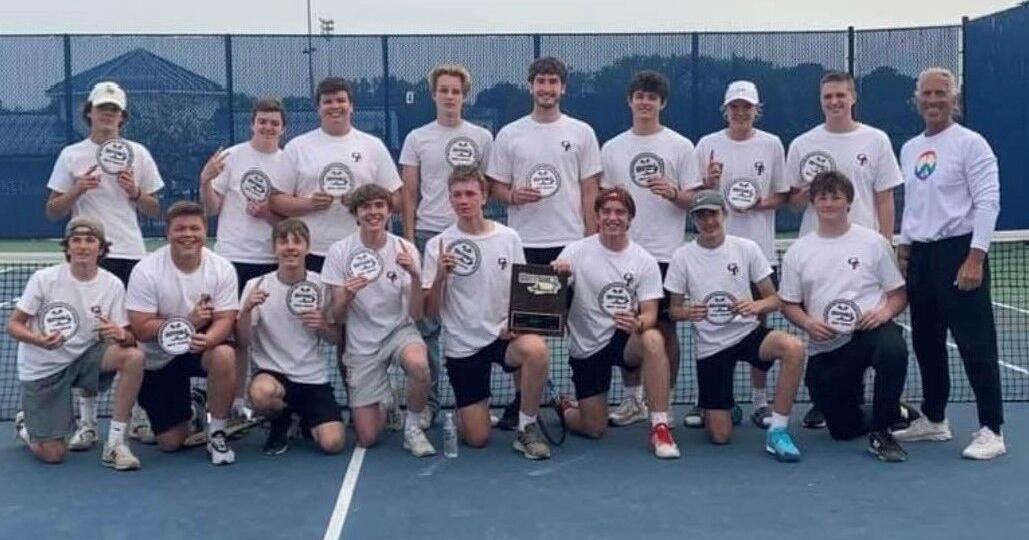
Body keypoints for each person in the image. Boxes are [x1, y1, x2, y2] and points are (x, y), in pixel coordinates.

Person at [892, 67, 1005, 460]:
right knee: (925, 341)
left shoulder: (971, 144)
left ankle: (992, 429)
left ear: (953, 99)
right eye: (927, 93)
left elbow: (988, 202)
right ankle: (935, 420)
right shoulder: (909, 148)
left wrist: (976, 257)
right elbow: (915, 206)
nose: (934, 100)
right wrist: (904, 249)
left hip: (960, 253)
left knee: (976, 345)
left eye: (942, 93)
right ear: (917, 99)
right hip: (922, 257)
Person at [43, 80, 163, 444]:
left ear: (122, 117)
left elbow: (155, 207)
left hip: (130, 254)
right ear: (89, 112)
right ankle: (88, 423)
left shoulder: (138, 154)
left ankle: (139, 417)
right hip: (88, 257)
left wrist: (135, 192)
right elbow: (52, 211)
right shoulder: (71, 156)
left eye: (114, 109)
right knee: (89, 335)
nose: (107, 114)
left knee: (134, 336)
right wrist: (77, 189)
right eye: (102, 108)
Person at [486, 56, 602, 430]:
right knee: (529, 330)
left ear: (563, 88)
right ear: (531, 86)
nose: (547, 89)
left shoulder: (582, 132)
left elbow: (589, 189)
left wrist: (590, 236)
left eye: (553, 82)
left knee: (579, 323)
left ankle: (580, 393)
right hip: (527, 246)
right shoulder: (510, 134)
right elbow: (496, 188)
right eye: (541, 82)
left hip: (571, 246)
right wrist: (513, 196)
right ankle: (526, 402)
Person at [785, 70, 903, 429]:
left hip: (866, 254)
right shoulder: (803, 144)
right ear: (821, 102)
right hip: (818, 250)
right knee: (826, 327)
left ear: (852, 98)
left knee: (877, 335)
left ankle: (885, 411)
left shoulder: (876, 139)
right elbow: (792, 203)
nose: (834, 102)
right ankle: (833, 398)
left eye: (840, 95)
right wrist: (808, 191)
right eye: (827, 97)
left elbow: (885, 197)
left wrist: (886, 242)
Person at [779, 171, 910, 462]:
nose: (828, 203)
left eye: (835, 197)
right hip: (828, 347)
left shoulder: (873, 243)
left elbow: (898, 293)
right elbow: (788, 304)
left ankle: (882, 431)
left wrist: (884, 313)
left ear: (848, 202)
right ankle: (893, 410)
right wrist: (808, 323)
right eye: (822, 197)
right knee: (843, 429)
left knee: (893, 349)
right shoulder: (798, 252)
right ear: (813, 203)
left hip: (868, 333)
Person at [664, 190, 805, 461]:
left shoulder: (747, 248)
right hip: (711, 348)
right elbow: (673, 310)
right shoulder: (682, 257)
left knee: (794, 348)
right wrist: (688, 312)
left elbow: (775, 299)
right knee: (720, 436)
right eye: (701, 216)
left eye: (713, 214)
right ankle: (717, 407)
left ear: (724, 215)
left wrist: (756, 306)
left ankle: (778, 430)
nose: (708, 222)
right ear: (693, 220)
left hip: (748, 334)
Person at [423, 165, 552, 460]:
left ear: (484, 197)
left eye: (470, 193)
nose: (463, 200)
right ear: (450, 199)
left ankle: (526, 428)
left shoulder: (509, 238)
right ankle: (469, 409)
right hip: (463, 346)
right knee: (477, 438)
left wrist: (516, 322)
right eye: (457, 195)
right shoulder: (437, 245)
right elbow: (429, 310)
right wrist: (441, 275)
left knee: (537, 350)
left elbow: (524, 291)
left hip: (504, 337)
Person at [551, 187, 680, 459]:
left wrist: (638, 323)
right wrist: (560, 277)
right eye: (606, 212)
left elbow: (650, 313)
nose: (613, 217)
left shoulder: (644, 260)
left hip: (624, 341)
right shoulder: (574, 252)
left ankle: (660, 426)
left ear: (630, 218)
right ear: (597, 217)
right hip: (586, 347)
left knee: (654, 338)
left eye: (620, 212)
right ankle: (566, 407)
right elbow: (552, 301)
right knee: (593, 428)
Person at [599, 70, 695, 429]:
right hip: (623, 254)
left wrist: (674, 192)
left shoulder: (681, 147)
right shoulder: (612, 148)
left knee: (665, 332)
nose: (645, 102)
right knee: (628, 329)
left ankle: (663, 403)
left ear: (662, 103)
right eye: (639, 96)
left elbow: (695, 200)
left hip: (668, 255)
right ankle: (632, 401)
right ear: (630, 100)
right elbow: (605, 202)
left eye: (652, 97)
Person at [691, 80, 789, 430]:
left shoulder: (772, 144)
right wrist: (710, 183)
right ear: (726, 109)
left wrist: (757, 203)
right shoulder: (707, 145)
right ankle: (713, 401)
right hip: (713, 253)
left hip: (758, 252)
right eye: (735, 106)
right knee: (711, 321)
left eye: (747, 106)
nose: (741, 112)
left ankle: (761, 402)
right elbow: (701, 197)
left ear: (756, 109)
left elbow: (783, 195)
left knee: (757, 327)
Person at [400, 64, 493, 426]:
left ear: (464, 96)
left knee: (475, 313)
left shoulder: (483, 137)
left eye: (456, 91)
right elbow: (409, 191)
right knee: (429, 324)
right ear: (433, 94)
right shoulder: (417, 138)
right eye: (444, 90)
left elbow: (483, 185)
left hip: (472, 238)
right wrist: (410, 237)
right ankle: (430, 403)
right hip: (428, 235)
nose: (450, 96)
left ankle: (476, 396)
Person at [9, 218, 144, 470]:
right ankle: (27, 426)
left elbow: (129, 339)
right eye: (76, 240)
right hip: (43, 369)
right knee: (53, 454)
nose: (83, 246)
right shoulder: (43, 279)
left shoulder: (112, 285)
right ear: (67, 247)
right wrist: (38, 340)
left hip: (85, 360)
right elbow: (14, 325)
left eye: (90, 240)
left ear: (101, 248)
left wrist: (120, 333)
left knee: (133, 356)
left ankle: (116, 443)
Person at [323, 185, 435, 457]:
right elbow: (334, 317)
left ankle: (412, 429)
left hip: (399, 331)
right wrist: (347, 295)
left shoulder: (405, 249)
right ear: (356, 214)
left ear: (388, 211)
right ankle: (387, 400)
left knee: (420, 365)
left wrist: (416, 275)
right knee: (366, 437)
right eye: (366, 207)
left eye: (379, 206)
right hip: (362, 342)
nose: (373, 212)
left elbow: (418, 315)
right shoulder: (339, 252)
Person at [126, 201, 240, 465]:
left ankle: (218, 432)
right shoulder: (146, 270)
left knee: (223, 353)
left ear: (205, 231)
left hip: (198, 350)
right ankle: (193, 406)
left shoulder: (222, 268)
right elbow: (141, 328)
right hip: (158, 359)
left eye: (194, 228)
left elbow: (225, 318)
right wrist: (187, 322)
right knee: (170, 443)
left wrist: (209, 338)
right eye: (180, 229)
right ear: (168, 233)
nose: (187, 234)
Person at [200, 97, 290, 422]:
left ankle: (265, 399)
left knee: (267, 335)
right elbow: (211, 208)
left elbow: (290, 227)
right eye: (262, 121)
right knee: (232, 336)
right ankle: (233, 402)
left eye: (274, 123)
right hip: (231, 260)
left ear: (283, 128)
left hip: (271, 261)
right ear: (252, 123)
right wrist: (205, 179)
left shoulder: (288, 163)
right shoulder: (232, 157)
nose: (267, 127)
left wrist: (267, 214)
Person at [270, 77, 402, 272]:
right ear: (318, 108)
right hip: (312, 251)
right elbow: (275, 201)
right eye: (328, 101)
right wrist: (309, 204)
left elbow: (397, 201)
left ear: (351, 106)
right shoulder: (298, 147)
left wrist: (361, 202)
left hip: (362, 249)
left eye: (340, 100)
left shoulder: (372, 146)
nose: (335, 106)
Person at [236, 219, 345, 456]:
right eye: (283, 242)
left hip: (312, 377)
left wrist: (322, 325)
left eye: (297, 241)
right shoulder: (257, 285)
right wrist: (246, 310)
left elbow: (336, 338)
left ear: (307, 247)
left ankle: (302, 417)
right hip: (273, 376)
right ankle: (281, 420)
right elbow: (243, 341)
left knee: (333, 444)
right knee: (260, 394)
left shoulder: (322, 285)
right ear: (274, 249)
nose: (290, 247)